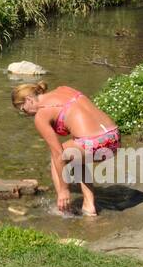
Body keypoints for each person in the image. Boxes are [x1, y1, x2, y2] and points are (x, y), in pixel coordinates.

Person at [11, 80, 120, 217]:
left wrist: (64, 189)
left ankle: (65, 209)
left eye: (22, 109)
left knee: (55, 158)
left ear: (28, 100)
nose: (26, 113)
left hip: (95, 144)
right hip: (114, 138)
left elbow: (58, 154)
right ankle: (89, 205)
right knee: (76, 154)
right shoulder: (64, 88)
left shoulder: (41, 115)